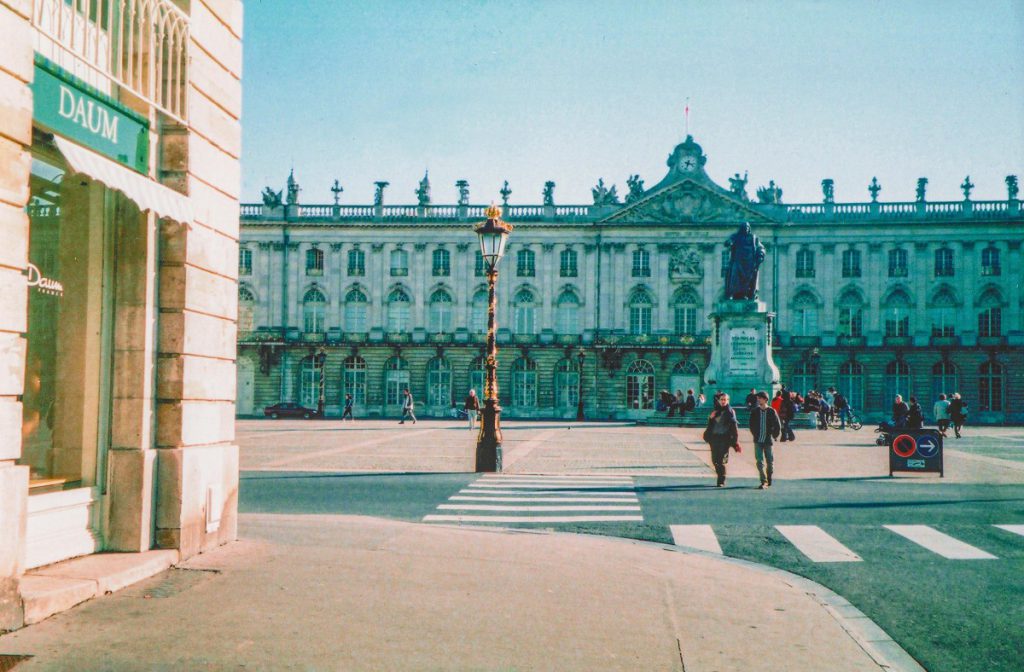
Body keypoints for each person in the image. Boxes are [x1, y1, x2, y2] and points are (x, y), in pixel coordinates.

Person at [703, 393, 741, 487]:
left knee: (721, 460)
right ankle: (720, 475)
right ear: (719, 400)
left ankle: (721, 480)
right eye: (722, 399)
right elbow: (710, 425)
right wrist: (710, 418)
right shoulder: (715, 411)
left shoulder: (730, 412)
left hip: (724, 439)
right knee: (714, 460)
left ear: (728, 401)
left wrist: (736, 441)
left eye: (725, 399)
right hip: (714, 438)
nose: (723, 401)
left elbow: (734, 427)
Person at [748, 391, 781, 489]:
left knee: (770, 461)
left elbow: (777, 425)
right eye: (758, 398)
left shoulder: (771, 411)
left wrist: (774, 435)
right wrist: (755, 434)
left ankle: (769, 478)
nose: (758, 400)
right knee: (759, 461)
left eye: (760, 398)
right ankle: (764, 481)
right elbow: (751, 424)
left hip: (768, 440)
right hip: (758, 440)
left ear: (765, 399)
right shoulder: (755, 411)